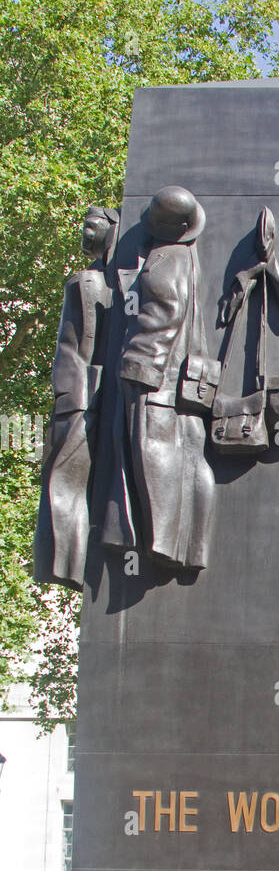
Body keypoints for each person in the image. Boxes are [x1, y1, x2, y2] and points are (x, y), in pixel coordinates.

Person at [112, 185, 214, 570]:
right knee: (189, 453)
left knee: (156, 452)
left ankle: (164, 544)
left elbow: (163, 315)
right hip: (182, 377)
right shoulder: (186, 257)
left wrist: (139, 365)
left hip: (155, 377)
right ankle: (187, 547)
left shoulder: (165, 260)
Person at [34, 206, 119, 589]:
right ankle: (66, 564)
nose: (85, 232)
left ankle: (68, 564)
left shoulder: (91, 283)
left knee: (65, 481)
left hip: (85, 396)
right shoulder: (85, 281)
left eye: (92, 224)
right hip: (79, 397)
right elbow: (69, 351)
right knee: (64, 481)